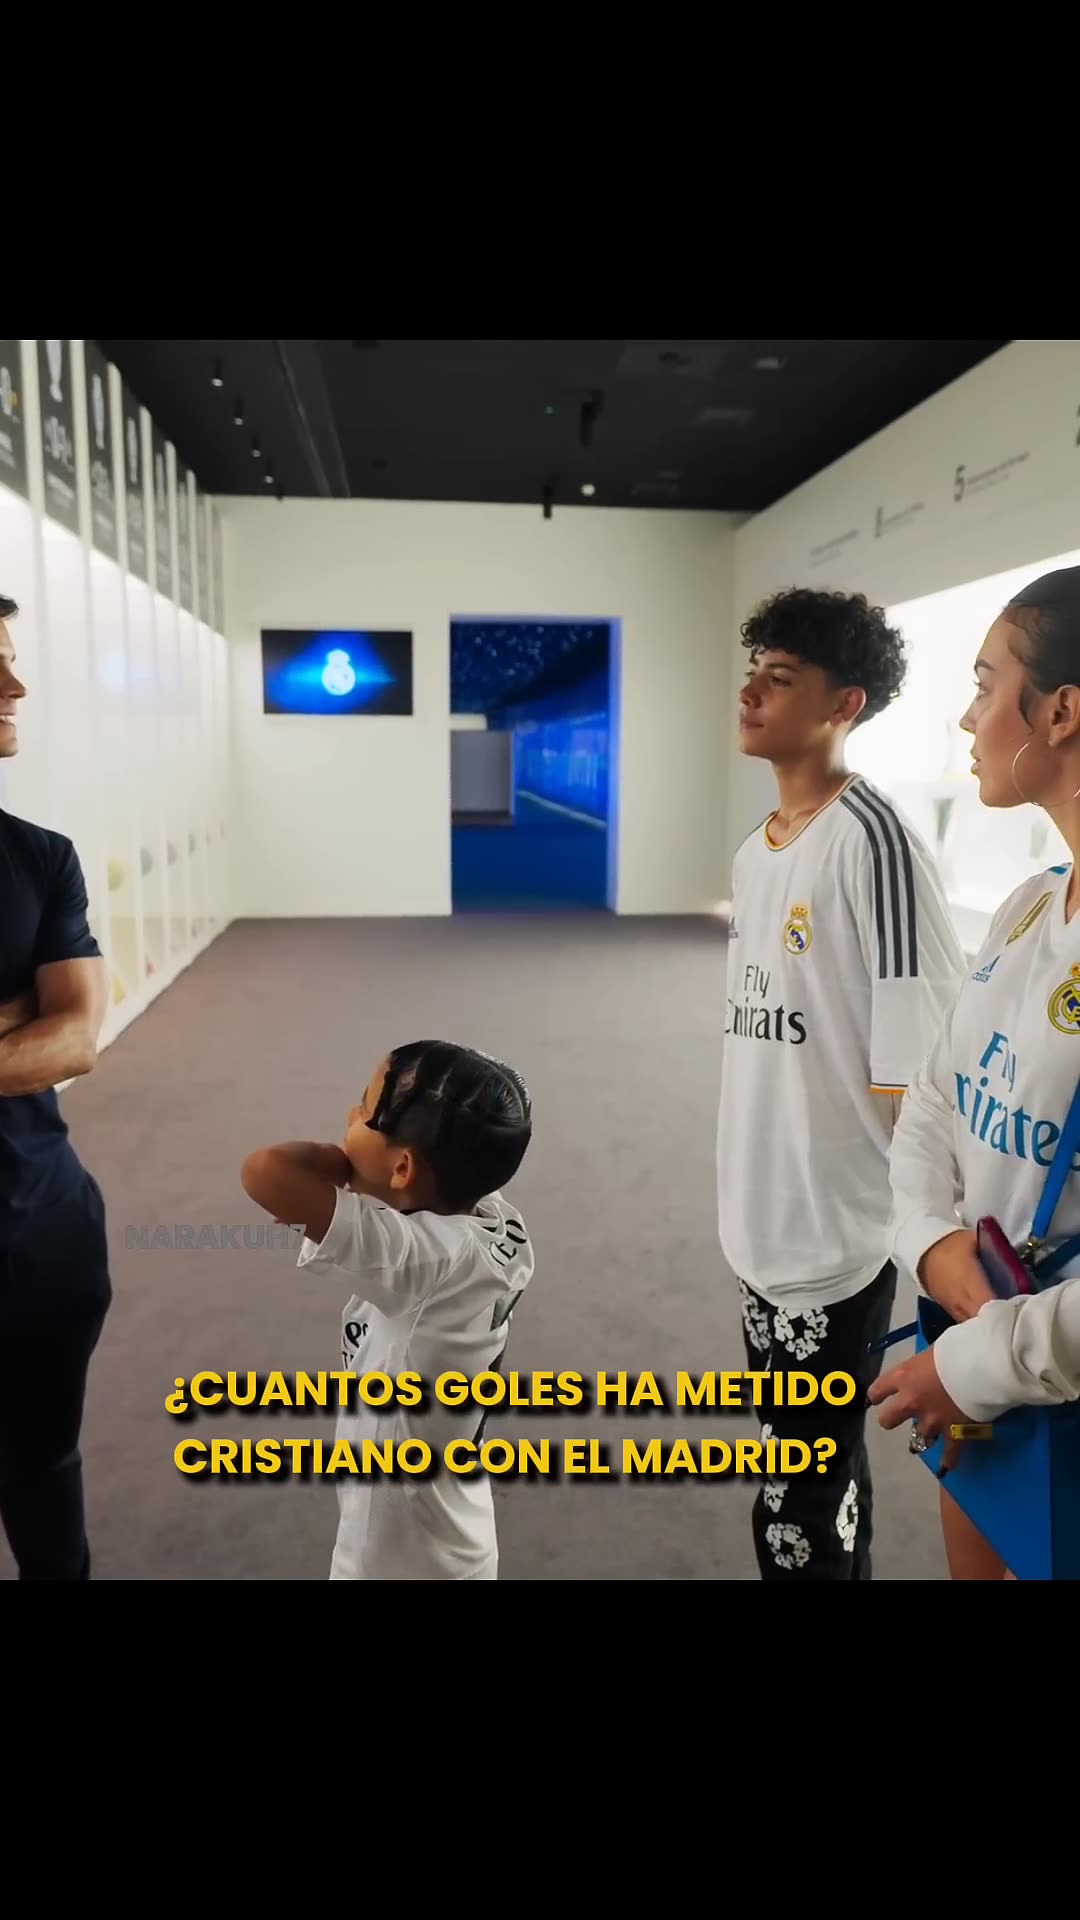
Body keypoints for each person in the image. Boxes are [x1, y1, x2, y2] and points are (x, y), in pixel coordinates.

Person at [717, 586, 966, 1579]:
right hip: (762, 1225)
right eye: (753, 671)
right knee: (804, 1470)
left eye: (781, 679)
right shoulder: (755, 851)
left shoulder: (874, 842)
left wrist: (925, 1232)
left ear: (843, 704)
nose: (751, 694)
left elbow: (924, 1069)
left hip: (838, 1235)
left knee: (797, 1500)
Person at [869, 564, 1080, 1579]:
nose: (967, 717)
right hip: (976, 1338)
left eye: (987, 683)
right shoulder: (1030, 907)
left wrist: (977, 1362)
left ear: (1062, 711)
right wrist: (933, 1243)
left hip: (1021, 1365)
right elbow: (934, 1104)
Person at [241, 1040, 534, 1580]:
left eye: (364, 1111)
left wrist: (333, 1169)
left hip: (401, 1560)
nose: (350, 1118)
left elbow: (265, 1172)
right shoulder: (487, 1214)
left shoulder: (425, 1260)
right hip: (448, 1533)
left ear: (402, 1167)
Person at [0, 592, 111, 1580]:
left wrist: (35, 1029)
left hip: (40, 1232)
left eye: (11, 658)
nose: (15, 686)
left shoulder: (40, 857)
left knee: (43, 1471)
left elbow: (74, 1035)